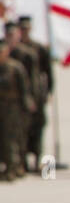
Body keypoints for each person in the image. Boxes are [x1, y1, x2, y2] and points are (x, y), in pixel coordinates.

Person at [16, 16, 53, 173]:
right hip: (17, 98)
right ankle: (21, 162)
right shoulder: (11, 49)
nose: (24, 31)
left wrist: (48, 92)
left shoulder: (39, 48)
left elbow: (48, 73)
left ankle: (39, 162)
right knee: (20, 130)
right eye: (21, 29)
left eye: (26, 28)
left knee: (38, 127)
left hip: (36, 95)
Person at [0, 25, 35, 182]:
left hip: (13, 107)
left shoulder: (16, 66)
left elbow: (26, 87)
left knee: (14, 137)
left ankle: (17, 167)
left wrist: (28, 104)